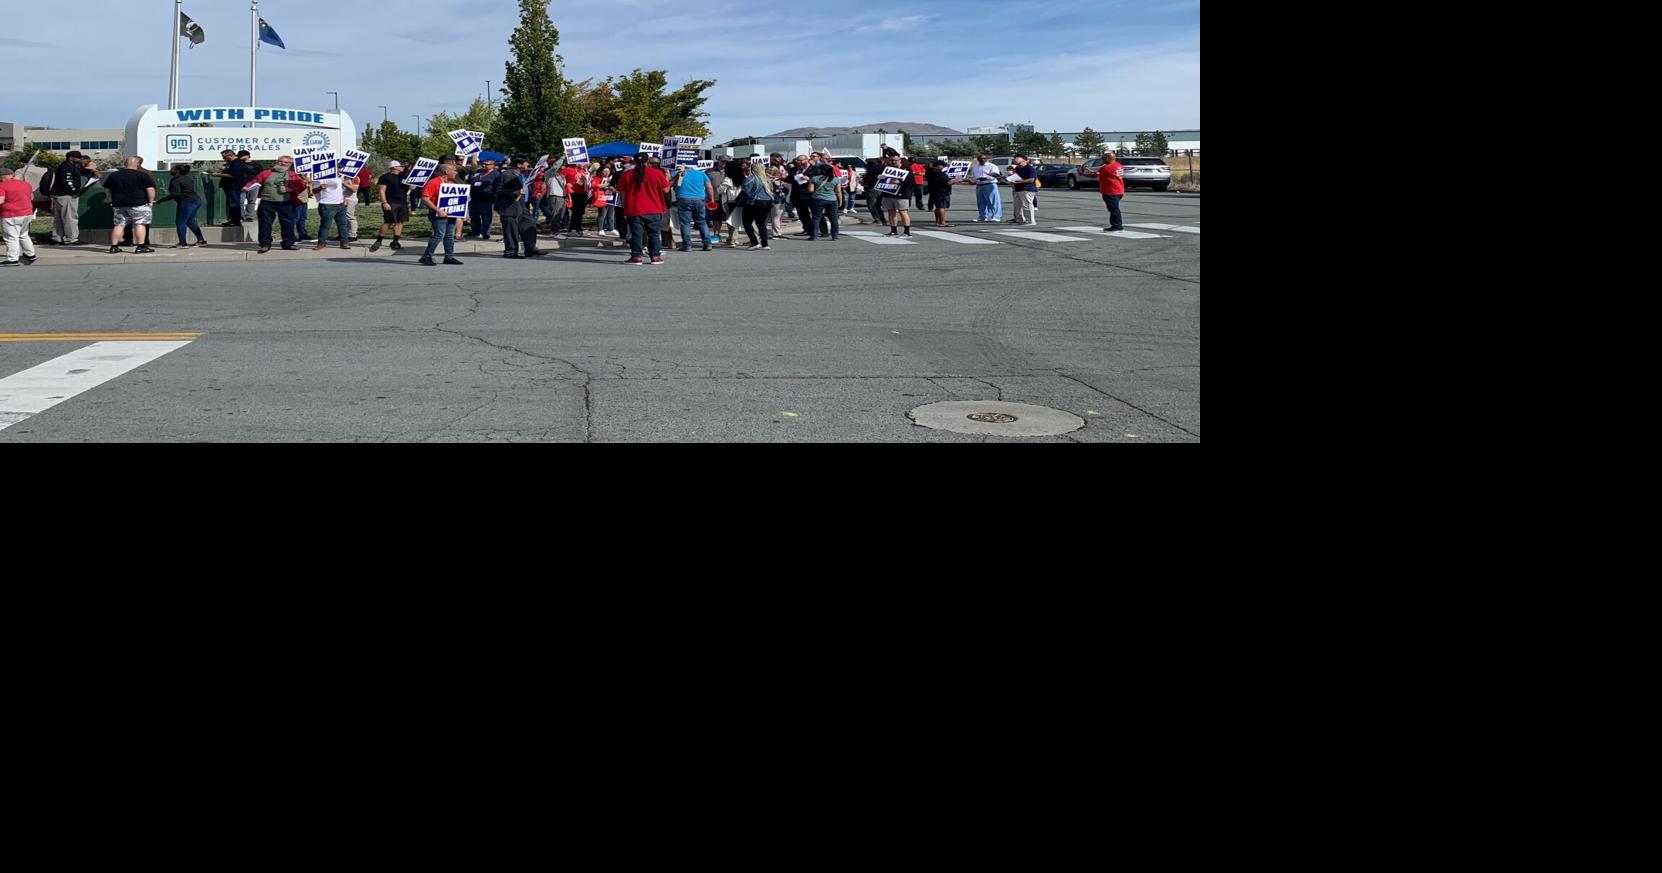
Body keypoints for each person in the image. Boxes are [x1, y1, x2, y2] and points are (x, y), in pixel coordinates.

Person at [615, 150, 670, 265]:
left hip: (634, 208)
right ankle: (655, 256)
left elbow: (621, 192)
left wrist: (624, 206)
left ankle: (636, 256)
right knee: (654, 234)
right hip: (654, 207)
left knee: (637, 234)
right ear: (647, 161)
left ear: (634, 161)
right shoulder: (657, 173)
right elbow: (666, 189)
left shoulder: (627, 174)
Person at [42, 150, 100, 244]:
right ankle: (71, 238)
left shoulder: (67, 166)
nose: (80, 159)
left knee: (59, 218)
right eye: (78, 157)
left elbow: (78, 171)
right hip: (66, 196)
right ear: (71, 158)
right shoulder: (67, 167)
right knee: (70, 217)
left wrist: (89, 171)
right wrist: (73, 191)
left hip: (59, 195)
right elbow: (67, 181)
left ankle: (57, 237)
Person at [250, 154, 306, 253]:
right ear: (277, 162)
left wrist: (290, 189)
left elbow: (301, 187)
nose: (283, 163)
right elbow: (255, 181)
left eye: (286, 162)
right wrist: (246, 187)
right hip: (267, 202)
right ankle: (265, 244)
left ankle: (288, 243)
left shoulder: (293, 175)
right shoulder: (266, 173)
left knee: (288, 224)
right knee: (265, 224)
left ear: (290, 164)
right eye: (281, 161)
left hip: (286, 203)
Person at [105, 157, 158, 254]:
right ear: (138, 164)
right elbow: (150, 189)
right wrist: (150, 202)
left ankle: (114, 247)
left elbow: (108, 189)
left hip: (119, 204)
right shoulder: (143, 175)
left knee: (119, 224)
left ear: (125, 164)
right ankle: (141, 246)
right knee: (140, 223)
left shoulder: (115, 175)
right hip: (139, 203)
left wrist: (113, 198)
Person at [419, 161, 464, 266]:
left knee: (449, 235)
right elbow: (425, 198)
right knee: (439, 235)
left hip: (450, 213)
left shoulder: (452, 183)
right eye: (454, 170)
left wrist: (464, 197)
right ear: (446, 171)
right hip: (437, 214)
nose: (456, 172)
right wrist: (437, 210)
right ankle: (427, 256)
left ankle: (449, 257)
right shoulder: (433, 182)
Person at [496, 155, 541, 259]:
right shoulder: (507, 174)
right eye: (526, 162)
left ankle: (530, 248)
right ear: (519, 165)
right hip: (510, 207)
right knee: (511, 231)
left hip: (522, 206)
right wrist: (514, 192)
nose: (528, 164)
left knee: (529, 223)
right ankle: (511, 252)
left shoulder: (522, 174)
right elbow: (499, 191)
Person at [156, 163, 208, 248]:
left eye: (173, 169)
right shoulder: (187, 179)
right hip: (196, 200)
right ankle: (201, 240)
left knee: (180, 222)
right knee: (190, 221)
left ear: (178, 171)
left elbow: (175, 194)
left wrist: (161, 200)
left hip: (186, 202)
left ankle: (183, 243)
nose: (171, 170)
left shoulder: (175, 180)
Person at [671, 161, 715, 252]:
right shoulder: (701, 174)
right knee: (702, 222)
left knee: (685, 223)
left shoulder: (676, 173)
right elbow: (709, 187)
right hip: (699, 200)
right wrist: (711, 199)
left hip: (683, 199)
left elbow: (669, 185)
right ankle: (707, 244)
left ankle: (687, 246)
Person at [0, 165, 39, 266]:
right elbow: (31, 197)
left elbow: (1, 200)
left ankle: (12, 259)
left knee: (11, 237)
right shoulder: (26, 184)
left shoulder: (2, 186)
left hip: (10, 214)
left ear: (2, 177)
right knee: (23, 234)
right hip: (27, 213)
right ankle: (30, 254)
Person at [311, 170, 356, 250]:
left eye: (340, 167)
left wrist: (344, 198)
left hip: (340, 204)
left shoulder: (340, 177)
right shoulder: (319, 177)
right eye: (338, 167)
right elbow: (314, 191)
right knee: (325, 225)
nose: (339, 169)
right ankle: (321, 243)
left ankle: (344, 242)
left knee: (343, 224)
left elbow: (340, 190)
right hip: (327, 205)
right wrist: (320, 187)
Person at [370, 160, 408, 253]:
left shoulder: (403, 177)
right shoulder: (385, 177)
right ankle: (379, 240)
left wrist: (414, 183)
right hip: (391, 202)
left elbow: (411, 188)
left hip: (403, 202)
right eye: (400, 166)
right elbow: (382, 191)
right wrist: (384, 202)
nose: (403, 167)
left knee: (400, 222)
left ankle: (395, 241)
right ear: (394, 167)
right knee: (388, 222)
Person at [737, 160, 773, 250]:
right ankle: (765, 244)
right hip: (767, 202)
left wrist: (738, 200)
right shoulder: (767, 179)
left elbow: (745, 192)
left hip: (754, 202)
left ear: (752, 169)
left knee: (747, 223)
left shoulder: (752, 178)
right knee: (761, 223)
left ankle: (754, 242)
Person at [806, 156, 840, 241]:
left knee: (816, 217)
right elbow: (838, 191)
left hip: (818, 198)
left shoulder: (814, 178)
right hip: (832, 199)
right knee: (833, 218)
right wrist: (840, 201)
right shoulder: (835, 179)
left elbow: (810, 190)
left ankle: (814, 235)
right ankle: (834, 235)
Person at [882, 155, 914, 237]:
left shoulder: (906, 170)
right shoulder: (887, 169)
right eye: (891, 160)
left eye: (895, 160)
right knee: (891, 211)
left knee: (903, 211)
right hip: (889, 192)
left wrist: (899, 182)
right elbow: (881, 179)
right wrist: (879, 177)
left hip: (901, 194)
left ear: (900, 160)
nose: (893, 162)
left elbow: (911, 182)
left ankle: (907, 232)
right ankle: (893, 231)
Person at [468, 157, 500, 240]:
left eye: (487, 164)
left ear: (493, 165)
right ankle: (475, 232)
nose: (484, 165)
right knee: (474, 217)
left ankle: (485, 233)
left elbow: (497, 187)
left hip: (487, 200)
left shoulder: (496, 175)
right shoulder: (477, 172)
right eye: (483, 164)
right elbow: (470, 181)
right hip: (474, 199)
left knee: (486, 217)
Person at [969, 153, 1002, 222]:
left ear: (987, 159)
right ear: (978, 159)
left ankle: (996, 216)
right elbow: (972, 176)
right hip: (979, 185)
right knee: (981, 202)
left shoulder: (992, 166)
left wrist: (986, 178)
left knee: (993, 201)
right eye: (981, 158)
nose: (982, 160)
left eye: (984, 158)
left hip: (989, 184)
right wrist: (972, 180)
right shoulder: (975, 166)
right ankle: (983, 216)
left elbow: (995, 175)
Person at [1098, 150, 1126, 232]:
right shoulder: (1118, 165)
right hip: (1119, 190)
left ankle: (1117, 226)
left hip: (1111, 191)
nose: (1102, 159)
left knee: (1114, 209)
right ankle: (1116, 225)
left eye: (1103, 158)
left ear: (1108, 158)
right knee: (1114, 208)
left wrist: (1083, 173)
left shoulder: (1106, 167)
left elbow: (1094, 175)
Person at [1007, 154, 1038, 225]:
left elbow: (1031, 179)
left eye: (1019, 163)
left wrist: (1019, 181)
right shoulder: (1018, 168)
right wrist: (1011, 181)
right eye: (1016, 164)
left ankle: (1030, 221)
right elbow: (1016, 177)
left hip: (1027, 189)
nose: (1018, 165)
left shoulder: (1030, 168)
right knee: (1017, 206)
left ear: (1024, 161)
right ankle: (1020, 220)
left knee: (1027, 205)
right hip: (1018, 189)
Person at [925, 159, 955, 227]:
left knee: (937, 207)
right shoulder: (938, 173)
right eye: (943, 166)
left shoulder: (930, 172)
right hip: (941, 191)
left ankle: (938, 221)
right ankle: (942, 222)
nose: (943, 167)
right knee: (941, 207)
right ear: (939, 166)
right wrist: (954, 181)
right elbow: (947, 182)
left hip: (933, 191)